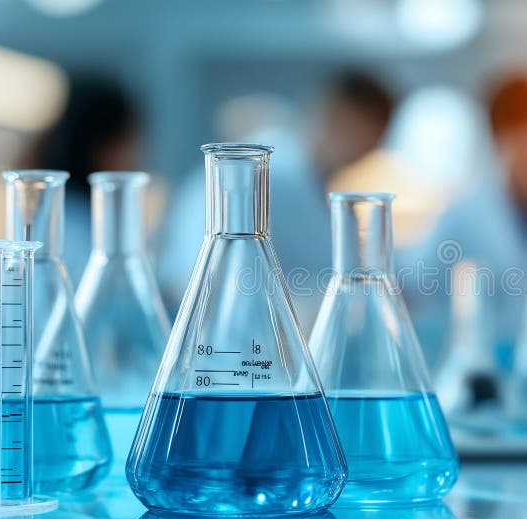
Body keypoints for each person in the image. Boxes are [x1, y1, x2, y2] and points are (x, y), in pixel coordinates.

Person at [160, 71, 395, 327]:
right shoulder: (252, 174)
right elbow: (206, 282)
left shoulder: (329, 195)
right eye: (369, 130)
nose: (372, 146)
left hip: (283, 347)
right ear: (332, 114)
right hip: (234, 346)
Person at [400, 73, 527, 350]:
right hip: (488, 364)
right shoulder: (463, 215)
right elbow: (421, 289)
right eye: (516, 137)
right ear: (497, 138)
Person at [25, 77, 143, 279]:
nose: (137, 154)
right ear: (104, 145)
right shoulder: (70, 223)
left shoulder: (71, 211)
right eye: (130, 141)